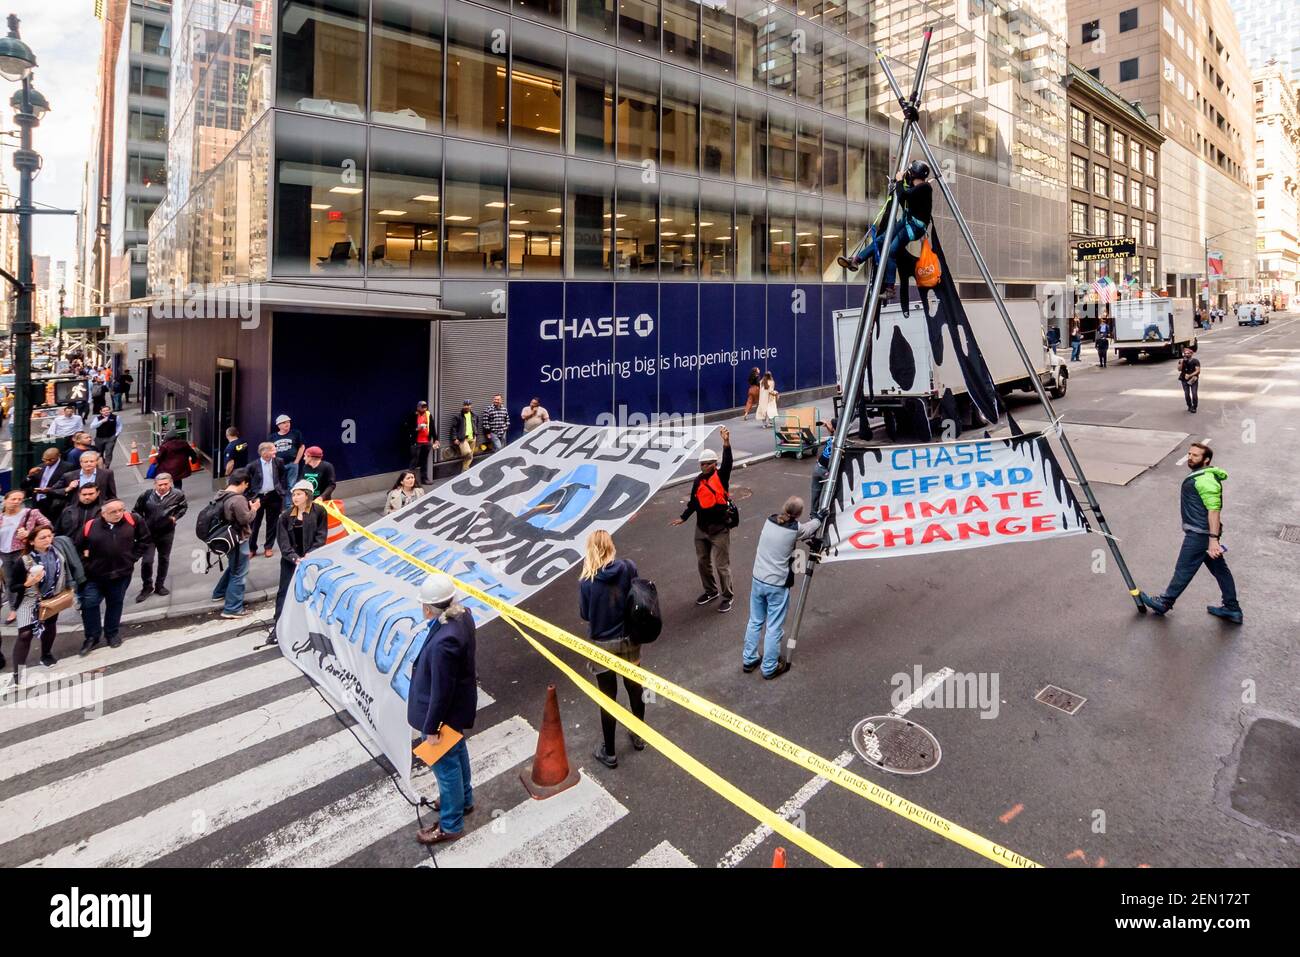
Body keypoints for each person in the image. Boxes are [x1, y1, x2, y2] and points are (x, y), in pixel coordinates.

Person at [409, 574, 478, 847]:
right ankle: (465, 799)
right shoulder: (463, 616)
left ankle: (451, 824)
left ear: (429, 608)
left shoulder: (443, 642)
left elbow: (441, 690)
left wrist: (432, 727)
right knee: (458, 753)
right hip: (458, 709)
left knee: (446, 767)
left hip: (443, 714)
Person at [1138, 442, 1241, 623]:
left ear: (1206, 460)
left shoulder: (1205, 480)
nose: (1190, 458)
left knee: (1184, 568)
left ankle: (1165, 601)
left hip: (1200, 535)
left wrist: (1213, 540)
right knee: (1220, 570)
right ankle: (1232, 608)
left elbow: (1214, 511)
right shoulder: (1202, 475)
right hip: (1203, 533)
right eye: (1189, 454)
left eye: (1195, 455)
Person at [578, 530, 646, 769]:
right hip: (629, 639)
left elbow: (585, 614)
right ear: (611, 546)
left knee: (608, 698)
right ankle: (638, 735)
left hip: (601, 645)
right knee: (635, 688)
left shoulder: (586, 581)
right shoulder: (628, 567)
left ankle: (610, 751)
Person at [744, 496, 819, 680]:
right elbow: (809, 528)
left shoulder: (769, 520)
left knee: (755, 620)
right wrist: (819, 517)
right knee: (774, 626)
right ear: (799, 514)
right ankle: (769, 667)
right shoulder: (795, 530)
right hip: (776, 583)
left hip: (758, 577)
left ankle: (749, 658)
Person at [837, 161, 934, 300]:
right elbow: (904, 198)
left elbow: (903, 196)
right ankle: (857, 260)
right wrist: (900, 182)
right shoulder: (917, 187)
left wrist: (900, 181)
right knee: (882, 238)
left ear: (913, 174)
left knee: (891, 251)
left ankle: (890, 289)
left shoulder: (925, 187)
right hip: (908, 221)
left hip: (915, 227)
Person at [4, 526, 82, 681]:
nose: (48, 540)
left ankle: (46, 654)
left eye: (49, 536)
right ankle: (17, 673)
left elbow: (67, 569)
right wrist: (28, 583)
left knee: (50, 626)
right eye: (42, 537)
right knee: (25, 634)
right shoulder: (24, 560)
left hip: (52, 597)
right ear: (32, 542)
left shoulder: (58, 553)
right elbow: (13, 586)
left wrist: (71, 586)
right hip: (29, 599)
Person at [671, 427, 735, 612]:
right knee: (702, 562)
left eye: (707, 463)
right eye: (702, 464)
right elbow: (694, 502)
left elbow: (729, 463)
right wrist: (683, 518)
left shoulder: (721, 477)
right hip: (701, 528)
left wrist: (726, 443)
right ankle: (711, 591)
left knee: (722, 566)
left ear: (715, 464)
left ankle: (728, 596)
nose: (704, 466)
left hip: (719, 529)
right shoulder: (698, 480)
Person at [75, 498, 151, 654]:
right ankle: (92, 637)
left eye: (121, 510)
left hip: (121, 574)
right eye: (113, 512)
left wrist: (132, 558)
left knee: (115, 603)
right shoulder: (90, 527)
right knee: (89, 604)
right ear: (103, 513)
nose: (118, 514)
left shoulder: (132, 520)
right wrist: (87, 565)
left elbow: (145, 540)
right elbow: (78, 548)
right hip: (94, 576)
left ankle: (112, 633)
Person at [274, 481, 328, 623]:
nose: (295, 498)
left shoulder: (319, 512)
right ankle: (279, 622)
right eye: (293, 495)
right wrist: (294, 558)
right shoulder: (285, 516)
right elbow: (283, 542)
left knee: (313, 590)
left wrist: (311, 553)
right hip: (290, 561)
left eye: (299, 494)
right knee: (284, 591)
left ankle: (314, 621)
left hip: (311, 559)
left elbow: (321, 536)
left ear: (307, 495)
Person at [211, 470, 259, 620]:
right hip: (238, 539)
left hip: (226, 538)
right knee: (239, 573)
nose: (246, 487)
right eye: (246, 484)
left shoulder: (221, 494)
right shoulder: (238, 499)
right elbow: (245, 519)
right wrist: (254, 509)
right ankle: (232, 608)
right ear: (243, 482)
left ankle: (219, 593)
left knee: (234, 566)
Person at [133, 472, 187, 601]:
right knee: (147, 561)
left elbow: (183, 507)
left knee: (164, 559)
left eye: (165, 484)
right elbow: (135, 511)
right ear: (155, 484)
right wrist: (140, 525)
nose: (162, 487)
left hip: (166, 532)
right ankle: (147, 586)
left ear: (171, 483)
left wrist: (175, 517)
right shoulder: (146, 495)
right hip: (148, 534)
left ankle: (160, 585)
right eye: (160, 485)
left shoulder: (178, 495)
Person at [0, 489, 52, 623]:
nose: (16, 502)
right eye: (13, 499)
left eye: (19, 499)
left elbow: (48, 526)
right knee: (10, 582)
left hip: (23, 552)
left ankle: (35, 605)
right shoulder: (1, 517)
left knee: (30, 579)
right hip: (4, 553)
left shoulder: (30, 513)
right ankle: (13, 609)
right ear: (5, 500)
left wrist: (29, 533)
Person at [248, 442, 286, 559]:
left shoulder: (279, 462)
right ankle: (251, 548)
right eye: (273, 450)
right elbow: (247, 482)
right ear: (265, 452)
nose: (275, 452)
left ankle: (268, 547)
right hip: (258, 498)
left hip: (274, 496)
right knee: (254, 524)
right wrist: (249, 498)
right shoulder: (252, 466)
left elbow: (282, 477)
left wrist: (282, 490)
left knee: (272, 523)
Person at [27, 447, 68, 523]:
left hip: (53, 504)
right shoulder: (40, 467)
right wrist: (29, 476)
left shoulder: (67, 467)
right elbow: (23, 486)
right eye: (44, 459)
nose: (47, 462)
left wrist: (50, 491)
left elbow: (67, 488)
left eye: (51, 459)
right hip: (37, 502)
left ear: (58, 456)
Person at [404, 401, 440, 484]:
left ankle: (424, 479)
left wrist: (436, 439)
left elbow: (432, 427)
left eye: (425, 407)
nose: (424, 408)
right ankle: (410, 481)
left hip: (426, 442)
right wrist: (417, 428)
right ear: (418, 407)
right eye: (422, 407)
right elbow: (407, 428)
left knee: (424, 461)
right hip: (416, 442)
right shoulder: (413, 416)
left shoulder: (428, 415)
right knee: (414, 461)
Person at [269, 414, 305, 486]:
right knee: (279, 485)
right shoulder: (272, 437)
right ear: (278, 425)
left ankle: (290, 497)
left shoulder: (295, 433)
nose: (287, 424)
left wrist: (296, 461)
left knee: (291, 485)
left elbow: (302, 447)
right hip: (278, 465)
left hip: (292, 464)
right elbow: (269, 450)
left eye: (288, 422)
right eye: (284, 422)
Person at [450, 400, 480, 472]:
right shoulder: (458, 416)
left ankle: (464, 469)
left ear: (471, 406)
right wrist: (454, 438)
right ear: (463, 405)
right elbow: (453, 428)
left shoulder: (474, 415)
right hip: (463, 438)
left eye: (468, 405)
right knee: (468, 453)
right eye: (465, 405)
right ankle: (465, 469)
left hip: (472, 438)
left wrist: (475, 433)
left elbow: (476, 424)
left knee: (470, 456)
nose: (467, 406)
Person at [1177, 346, 1201, 414]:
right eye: (1185, 353)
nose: (1186, 355)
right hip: (1184, 379)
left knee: (1194, 393)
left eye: (1188, 353)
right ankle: (1189, 406)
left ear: (1191, 354)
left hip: (1193, 379)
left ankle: (1194, 407)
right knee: (1186, 394)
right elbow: (1179, 369)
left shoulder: (1195, 361)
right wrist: (1181, 363)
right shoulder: (1181, 360)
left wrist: (1190, 375)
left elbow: (1198, 371)